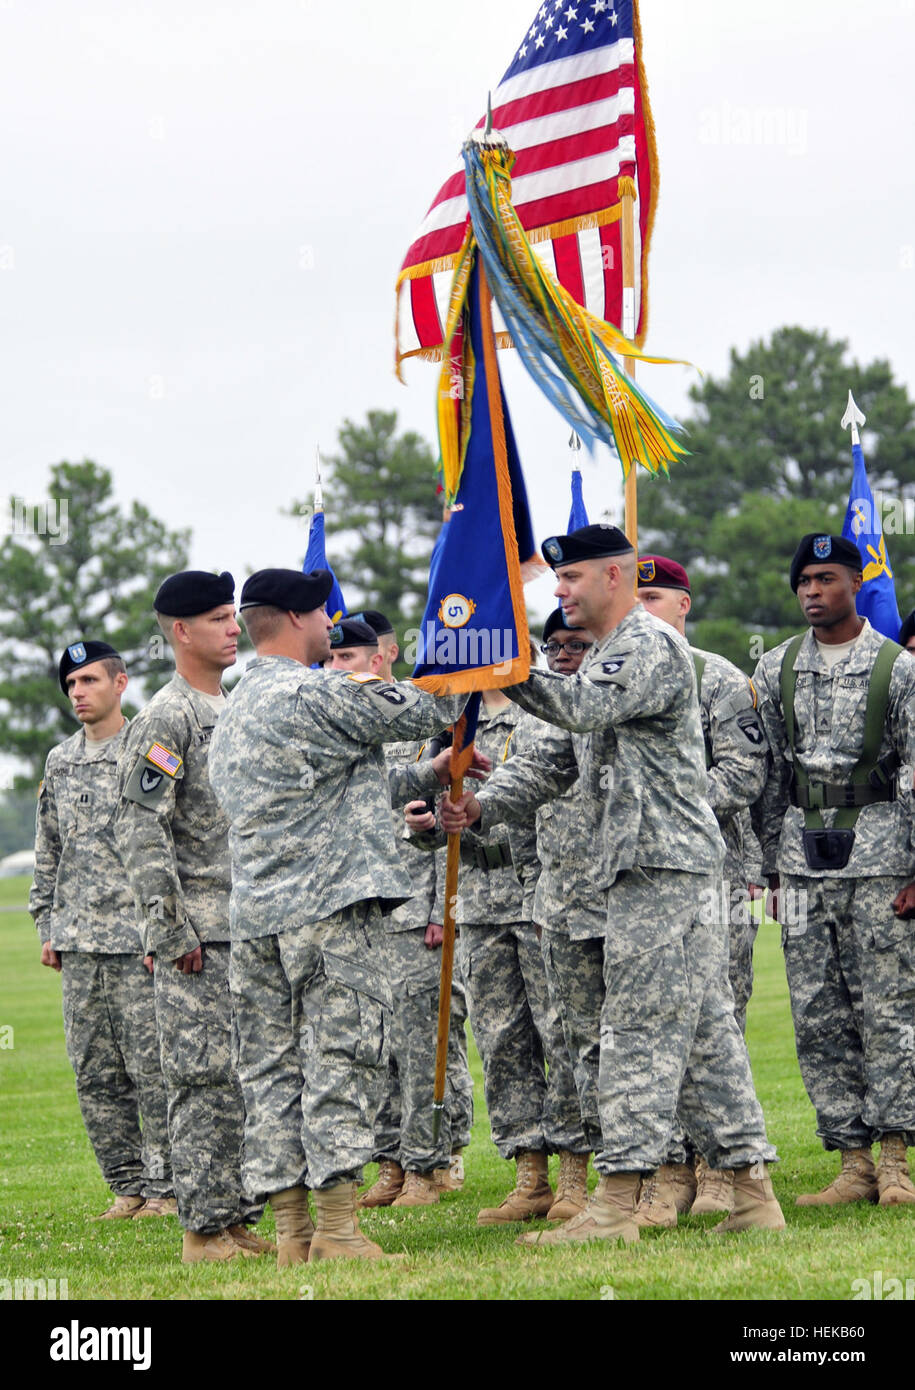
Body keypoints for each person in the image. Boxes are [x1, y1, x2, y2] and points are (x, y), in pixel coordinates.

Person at [442, 524, 783, 1245]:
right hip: (642, 870)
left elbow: (577, 710)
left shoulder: (646, 647)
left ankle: (615, 1205)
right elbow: (549, 763)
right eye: (555, 581)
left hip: (662, 869)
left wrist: (498, 662)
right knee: (703, 1038)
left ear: (614, 579)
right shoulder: (599, 658)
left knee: (634, 1032)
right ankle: (753, 1195)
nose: (558, 592)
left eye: (570, 580)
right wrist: (480, 805)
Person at [207, 568, 470, 1264]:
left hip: (257, 918)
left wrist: (426, 776)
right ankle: (339, 1231)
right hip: (327, 915)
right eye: (323, 610)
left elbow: (330, 783)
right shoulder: (316, 691)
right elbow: (424, 709)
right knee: (339, 1065)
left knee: (270, 1074)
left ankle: (292, 1234)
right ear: (297, 618)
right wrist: (477, 650)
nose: (332, 621)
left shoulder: (234, 706)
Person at [752, 533, 915, 1206]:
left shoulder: (897, 668)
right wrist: (765, 869)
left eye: (824, 579)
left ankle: (896, 1160)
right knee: (816, 1014)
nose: (811, 592)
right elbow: (766, 776)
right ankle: (850, 1162)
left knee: (888, 1008)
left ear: (855, 581)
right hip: (800, 857)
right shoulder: (775, 668)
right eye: (803, 582)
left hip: (881, 856)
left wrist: (914, 866)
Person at [114, 570, 267, 1263]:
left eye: (233, 616)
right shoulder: (166, 715)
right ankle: (202, 1231)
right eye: (215, 618)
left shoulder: (228, 706)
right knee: (202, 1080)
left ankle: (233, 1219)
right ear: (180, 632)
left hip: (242, 922)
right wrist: (170, 929)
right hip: (197, 933)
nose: (233, 628)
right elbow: (142, 830)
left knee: (239, 1079)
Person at [408, 682, 590, 1227]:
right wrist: (423, 827)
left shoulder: (543, 715)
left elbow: (562, 812)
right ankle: (529, 1174)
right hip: (478, 901)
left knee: (558, 1033)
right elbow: (435, 830)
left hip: (536, 894)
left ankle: (576, 1173)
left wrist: (550, 894)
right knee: (501, 1039)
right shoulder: (451, 728)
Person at [636, 554, 768, 1221]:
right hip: (639, 883)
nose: (643, 607)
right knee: (652, 1024)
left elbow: (743, 776)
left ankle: (720, 1166)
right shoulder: (616, 680)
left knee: (718, 1018)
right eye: (633, 597)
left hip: (711, 877)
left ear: (683, 604)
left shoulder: (717, 679)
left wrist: (668, 804)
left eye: (654, 596)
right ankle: (666, 1169)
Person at [325, 617, 474, 1209]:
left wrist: (443, 908)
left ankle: (433, 1161)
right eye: (333, 659)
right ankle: (389, 1159)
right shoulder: (334, 726)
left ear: (387, 655)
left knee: (428, 1040)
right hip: (366, 911)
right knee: (376, 1044)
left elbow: (451, 818)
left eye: (353, 657)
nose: (342, 669)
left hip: (420, 908)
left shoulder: (426, 717)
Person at [30, 641, 173, 1220]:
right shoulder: (59, 761)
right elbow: (50, 848)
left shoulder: (155, 750)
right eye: (70, 686)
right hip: (79, 944)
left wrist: (162, 929)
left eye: (89, 681)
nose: (78, 693)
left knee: (155, 1068)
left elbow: (173, 843)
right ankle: (127, 1186)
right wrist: (48, 922)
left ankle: (165, 1188)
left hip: (139, 943)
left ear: (121, 683)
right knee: (95, 1072)